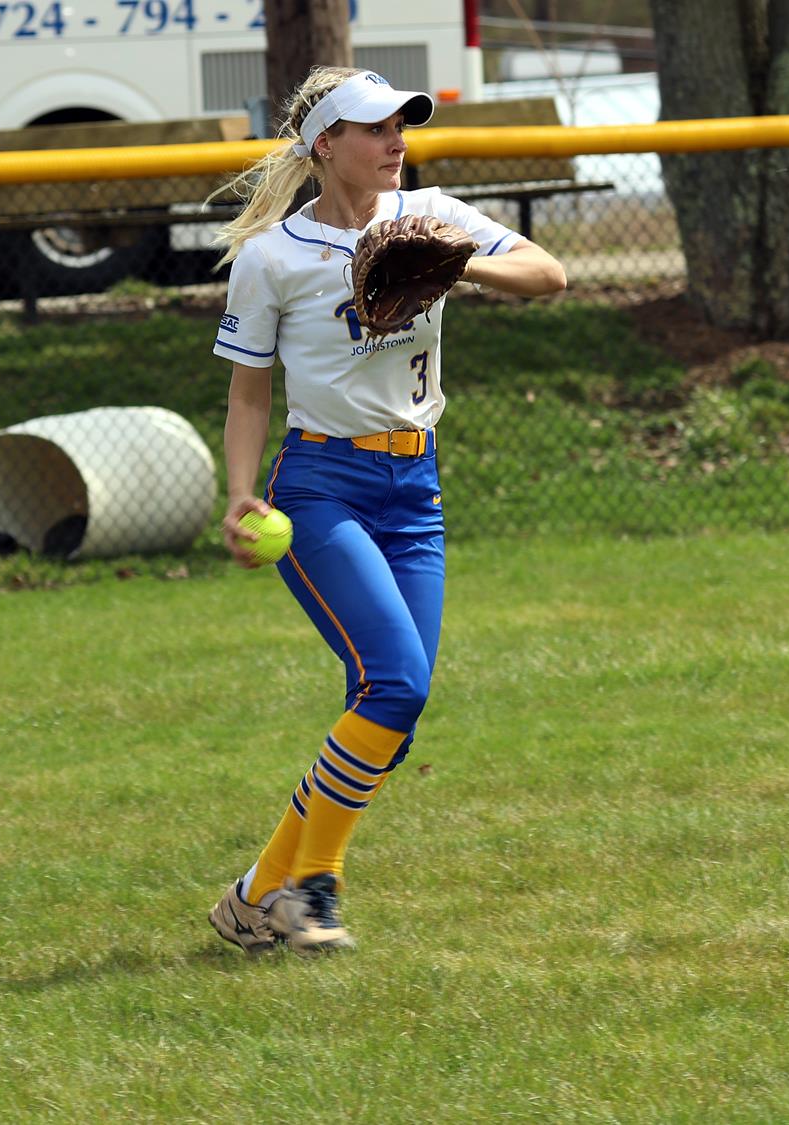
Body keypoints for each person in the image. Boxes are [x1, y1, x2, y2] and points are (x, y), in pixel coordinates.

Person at [203, 66, 567, 955]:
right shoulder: (272, 257)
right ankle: (312, 889)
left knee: (390, 719)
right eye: (375, 127)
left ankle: (252, 898)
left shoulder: (432, 216)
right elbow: (250, 393)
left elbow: (549, 274)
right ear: (326, 145)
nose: (397, 139)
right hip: (321, 488)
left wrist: (459, 263)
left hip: (416, 491)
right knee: (395, 685)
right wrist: (240, 492)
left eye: (403, 123)